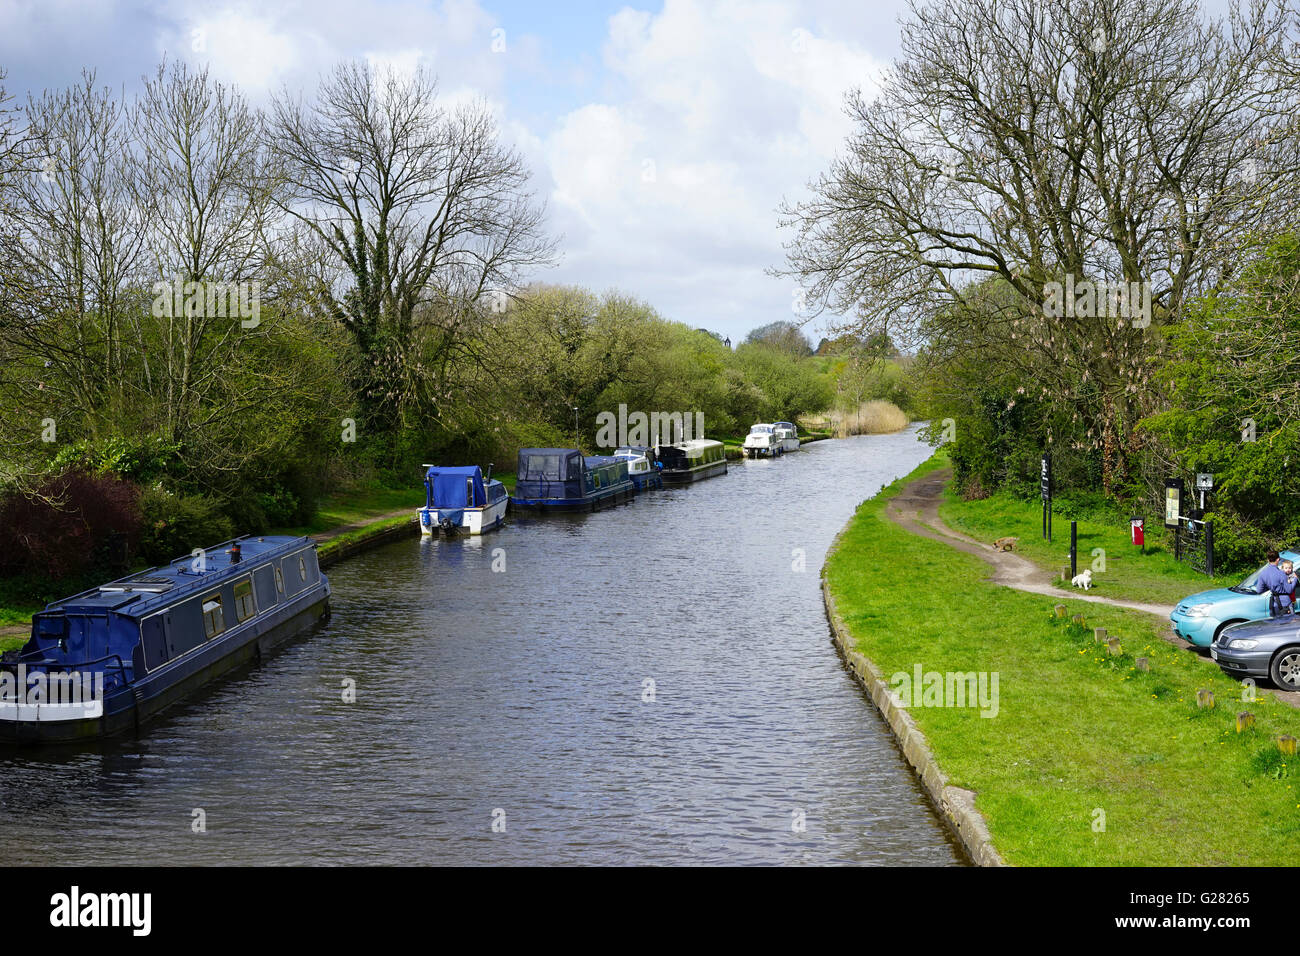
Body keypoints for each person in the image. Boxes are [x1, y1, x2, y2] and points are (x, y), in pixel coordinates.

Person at [1255, 550, 1292, 616]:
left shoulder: (1263, 573)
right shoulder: (1281, 573)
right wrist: (1295, 580)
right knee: (1289, 625)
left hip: (1274, 604)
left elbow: (1259, 590)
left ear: (1268, 560)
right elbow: (1289, 590)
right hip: (1285, 604)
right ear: (1278, 559)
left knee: (1276, 625)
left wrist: (1271, 587)